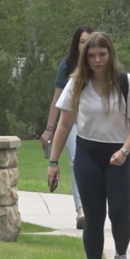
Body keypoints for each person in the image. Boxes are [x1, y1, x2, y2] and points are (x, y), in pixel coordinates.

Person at [47, 33, 130, 259]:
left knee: (120, 213)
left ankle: (121, 257)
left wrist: (125, 150)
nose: (97, 60)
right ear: (85, 58)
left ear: (110, 54)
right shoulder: (77, 84)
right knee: (94, 216)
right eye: (91, 56)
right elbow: (64, 123)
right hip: (88, 153)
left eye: (102, 54)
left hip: (118, 154)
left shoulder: (126, 83)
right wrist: (53, 160)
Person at [41, 24, 93, 229]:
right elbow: (58, 98)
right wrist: (49, 128)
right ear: (76, 44)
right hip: (70, 120)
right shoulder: (67, 66)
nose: (85, 46)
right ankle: (81, 210)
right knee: (76, 160)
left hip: (92, 120)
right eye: (82, 42)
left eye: (88, 42)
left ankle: (92, 204)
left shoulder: (100, 64)